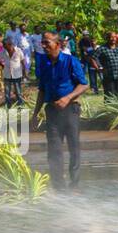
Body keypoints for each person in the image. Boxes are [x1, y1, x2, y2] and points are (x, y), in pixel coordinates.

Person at [34, 30, 89, 189]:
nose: (43, 46)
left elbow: (84, 84)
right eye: (42, 42)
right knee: (54, 151)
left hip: (70, 110)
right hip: (51, 112)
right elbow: (42, 90)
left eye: (47, 42)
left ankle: (74, 185)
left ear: (57, 44)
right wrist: (35, 114)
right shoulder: (43, 63)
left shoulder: (71, 61)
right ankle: (58, 187)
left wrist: (67, 98)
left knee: (74, 148)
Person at [0, 35, 26, 107]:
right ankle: (8, 104)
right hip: (7, 74)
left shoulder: (18, 51)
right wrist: (2, 66)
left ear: (10, 44)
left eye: (5, 45)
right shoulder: (3, 52)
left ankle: (20, 103)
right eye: (3, 45)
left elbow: (23, 61)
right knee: (7, 91)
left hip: (17, 74)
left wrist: (24, 72)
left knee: (18, 90)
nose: (4, 47)